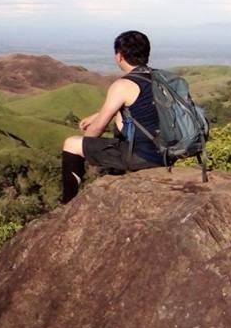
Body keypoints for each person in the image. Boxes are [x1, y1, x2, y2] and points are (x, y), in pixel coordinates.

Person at [60, 30, 164, 203]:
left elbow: (97, 130)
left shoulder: (124, 84)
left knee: (71, 144)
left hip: (144, 156)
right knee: (121, 118)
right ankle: (117, 175)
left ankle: (67, 203)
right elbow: (140, 107)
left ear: (119, 56)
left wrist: (87, 144)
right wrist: (97, 115)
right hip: (168, 151)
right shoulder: (162, 78)